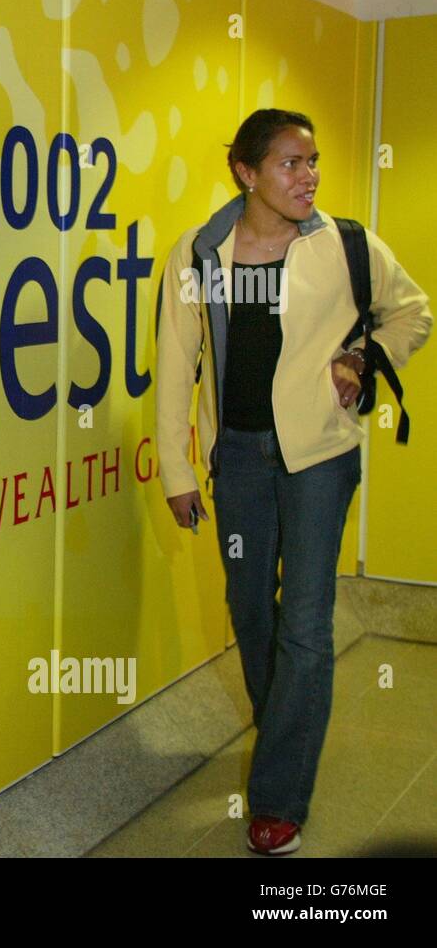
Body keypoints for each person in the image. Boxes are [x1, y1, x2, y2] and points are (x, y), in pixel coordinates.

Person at [154, 108, 432, 855]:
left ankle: (278, 798)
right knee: (250, 608)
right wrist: (177, 470)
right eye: (289, 164)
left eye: (312, 162)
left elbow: (414, 313)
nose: (307, 177)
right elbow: (177, 366)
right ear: (246, 174)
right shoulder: (200, 252)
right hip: (238, 458)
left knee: (305, 623)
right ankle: (284, 723)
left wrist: (362, 359)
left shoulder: (345, 245)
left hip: (317, 461)